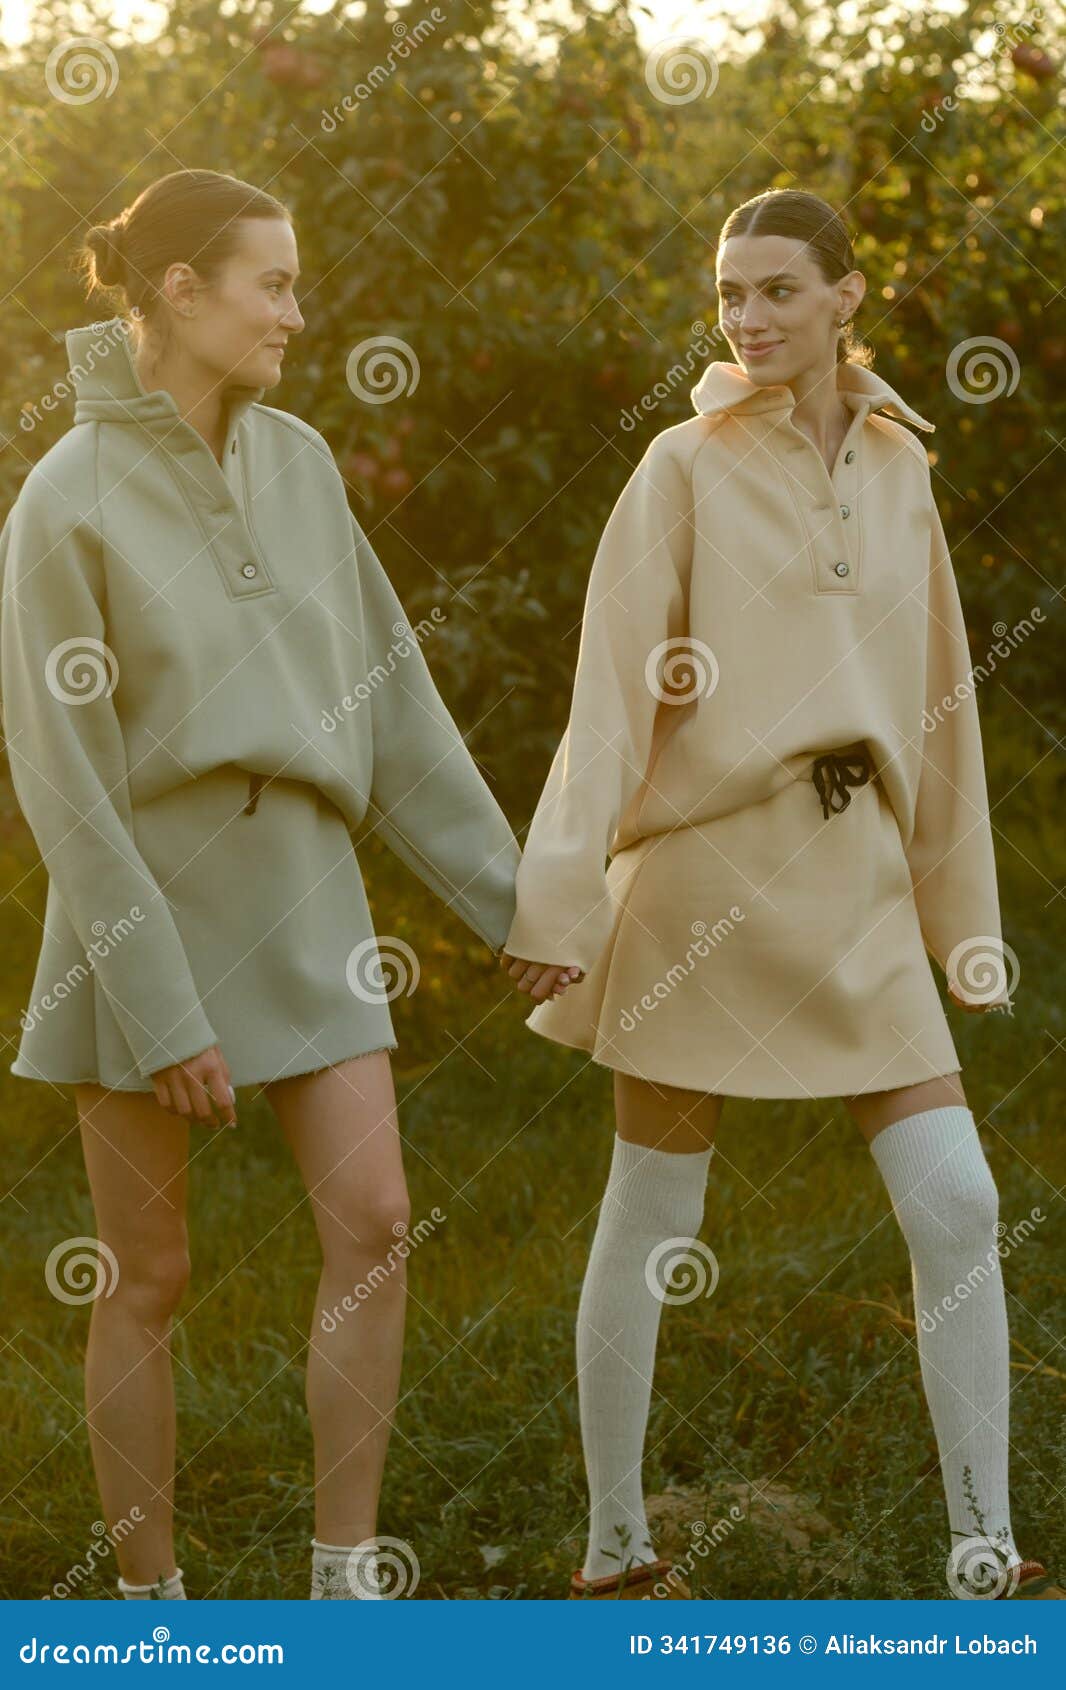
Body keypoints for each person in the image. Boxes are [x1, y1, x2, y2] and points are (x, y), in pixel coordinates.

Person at [500, 188, 1062, 1602]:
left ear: (845, 297)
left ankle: (981, 1546)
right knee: (652, 1209)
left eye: (776, 291)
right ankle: (613, 1546)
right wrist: (557, 901)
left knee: (953, 1202)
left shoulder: (899, 469)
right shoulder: (678, 467)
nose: (747, 318)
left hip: (859, 882)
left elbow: (939, 714)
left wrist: (964, 928)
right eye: (727, 294)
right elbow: (609, 696)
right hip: (702, 884)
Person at [0, 168, 529, 1600]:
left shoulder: (296, 460)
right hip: (140, 912)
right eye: (274, 283)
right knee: (148, 1273)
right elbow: (65, 785)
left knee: (371, 1224)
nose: (301, 310)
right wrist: (164, 1009)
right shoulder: (63, 499)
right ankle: (150, 1597)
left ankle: (344, 1571)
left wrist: (516, 904)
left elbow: (394, 697)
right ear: (182, 290)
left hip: (309, 896)